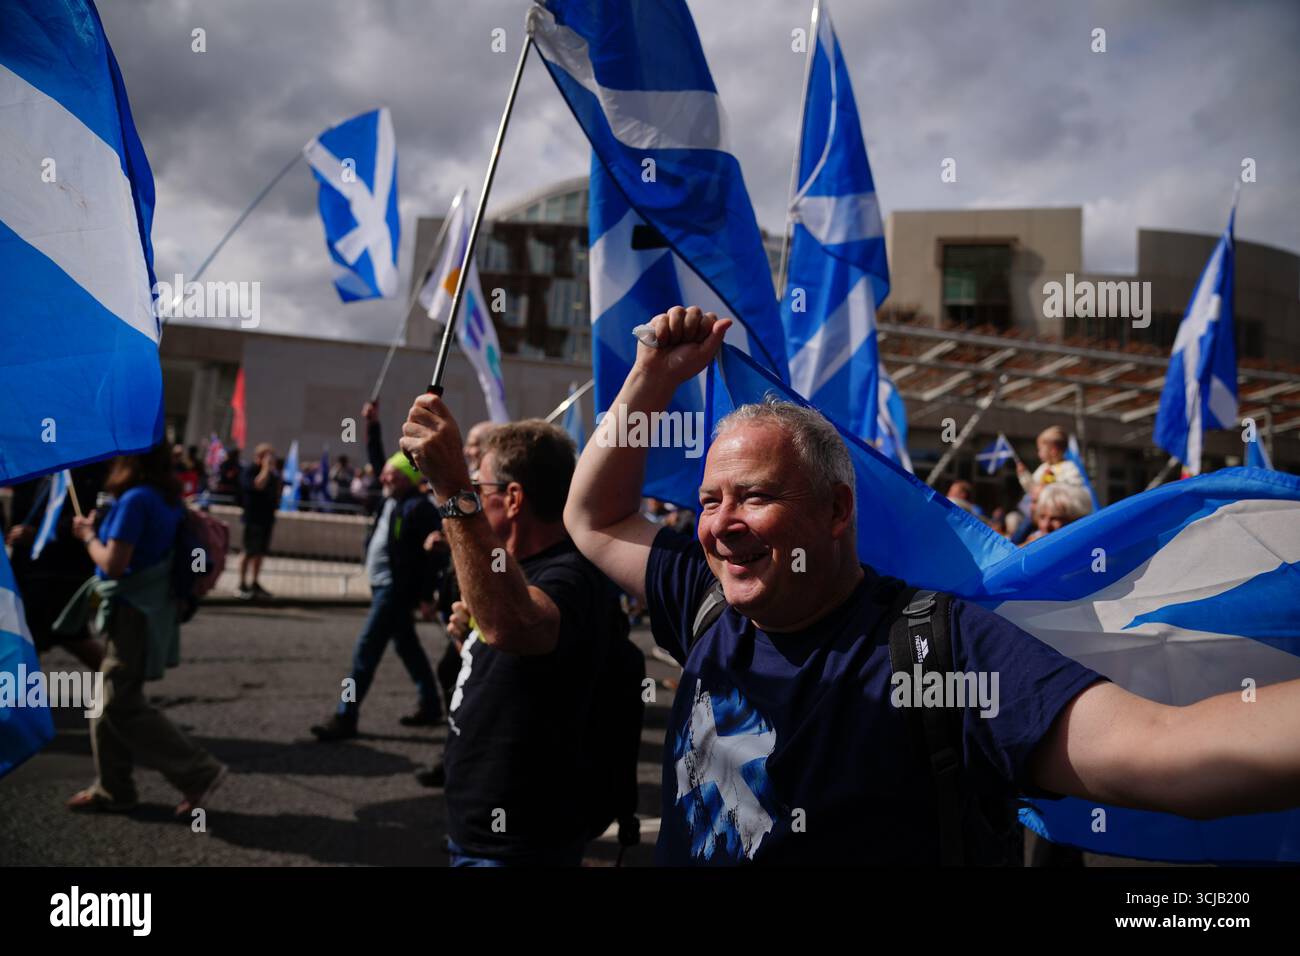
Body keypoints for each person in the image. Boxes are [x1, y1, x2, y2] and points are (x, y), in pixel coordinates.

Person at [562, 305, 1300, 866]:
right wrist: (651, 376)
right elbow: (592, 517)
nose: (721, 524)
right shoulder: (704, 598)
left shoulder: (937, 648)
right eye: (710, 500)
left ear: (836, 512)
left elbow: (1166, 753)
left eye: (754, 496)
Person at [400, 411, 628, 867]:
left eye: (480, 490)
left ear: (514, 498)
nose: (474, 498)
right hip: (482, 832)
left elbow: (515, 625)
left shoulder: (571, 574)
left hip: (518, 845)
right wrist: (473, 643)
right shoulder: (518, 572)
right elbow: (515, 646)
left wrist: (450, 488)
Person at [57, 443, 227, 815]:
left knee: (121, 702)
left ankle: (198, 772)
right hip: (149, 609)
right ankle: (113, 787)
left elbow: (114, 564)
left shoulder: (135, 500)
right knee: (104, 703)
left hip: (134, 612)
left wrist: (88, 536)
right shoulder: (164, 498)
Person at [310, 401, 443, 741]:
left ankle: (345, 715)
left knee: (365, 653)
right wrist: (372, 425)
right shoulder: (390, 499)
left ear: (408, 477)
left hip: (395, 590)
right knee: (406, 647)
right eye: (385, 472)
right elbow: (376, 458)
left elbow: (432, 558)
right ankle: (430, 705)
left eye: (392, 473)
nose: (384, 476)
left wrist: (427, 596)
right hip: (383, 585)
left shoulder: (418, 508)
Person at [5, 463, 108, 669]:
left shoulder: (85, 468)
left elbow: (86, 515)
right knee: (30, 634)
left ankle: (116, 681)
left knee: (66, 634)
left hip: (62, 568)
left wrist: (40, 534)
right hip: (27, 566)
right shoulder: (31, 467)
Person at [238, 443, 281, 600]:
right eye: (267, 457)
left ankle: (255, 582)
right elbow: (258, 485)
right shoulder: (250, 471)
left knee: (260, 554)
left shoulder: (273, 474)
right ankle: (242, 584)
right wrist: (265, 468)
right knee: (249, 552)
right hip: (253, 518)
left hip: (266, 519)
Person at [1022, 481, 1093, 546]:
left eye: (1055, 518)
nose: (1045, 525)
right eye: (1042, 517)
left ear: (1076, 520)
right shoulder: (1033, 542)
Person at [1016, 425, 1082, 494]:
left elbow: (1075, 489)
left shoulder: (1069, 467)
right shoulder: (1043, 468)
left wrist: (1053, 482)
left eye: (1040, 449)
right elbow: (1033, 489)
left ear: (1053, 451)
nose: (1038, 453)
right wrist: (1024, 476)